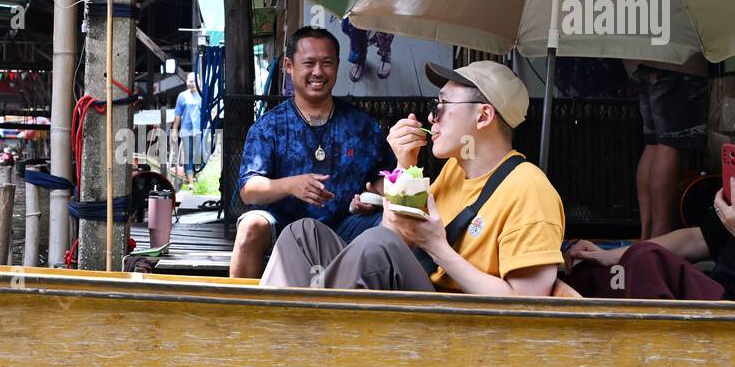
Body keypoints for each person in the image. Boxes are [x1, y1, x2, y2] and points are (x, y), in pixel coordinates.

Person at [261, 61, 565, 296]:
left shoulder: (529, 189)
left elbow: (527, 305)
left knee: (375, 245)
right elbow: (398, 237)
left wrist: (438, 248)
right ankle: (284, 331)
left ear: (483, 116)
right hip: (419, 295)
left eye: (442, 105)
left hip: (458, 327)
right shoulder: (455, 171)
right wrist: (404, 164)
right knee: (303, 235)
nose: (432, 117)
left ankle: (305, 336)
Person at [567, 91, 735, 304]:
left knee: (647, 263)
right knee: (599, 271)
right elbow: (694, 239)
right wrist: (609, 254)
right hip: (707, 306)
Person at [232, 26, 394, 278]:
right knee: (251, 227)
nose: (318, 72)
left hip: (347, 223)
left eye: (327, 63)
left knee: (394, 223)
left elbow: (386, 177)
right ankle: (242, 313)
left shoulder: (361, 124)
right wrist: (290, 185)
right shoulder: (270, 126)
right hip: (284, 225)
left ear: (338, 65)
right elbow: (248, 189)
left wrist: (370, 198)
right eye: (309, 63)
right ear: (289, 65)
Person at [628, 59, 710, 239]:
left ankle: (647, 237)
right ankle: (661, 237)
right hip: (676, 60)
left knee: (653, 143)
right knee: (670, 143)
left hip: (642, 59)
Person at [172, 71, 204, 185]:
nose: (192, 83)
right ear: (186, 82)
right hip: (186, 130)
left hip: (199, 129)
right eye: (190, 81)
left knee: (200, 154)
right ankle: (191, 183)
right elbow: (178, 114)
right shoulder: (182, 96)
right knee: (188, 156)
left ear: (199, 82)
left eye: (194, 81)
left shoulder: (203, 95)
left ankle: (196, 176)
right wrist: (174, 130)